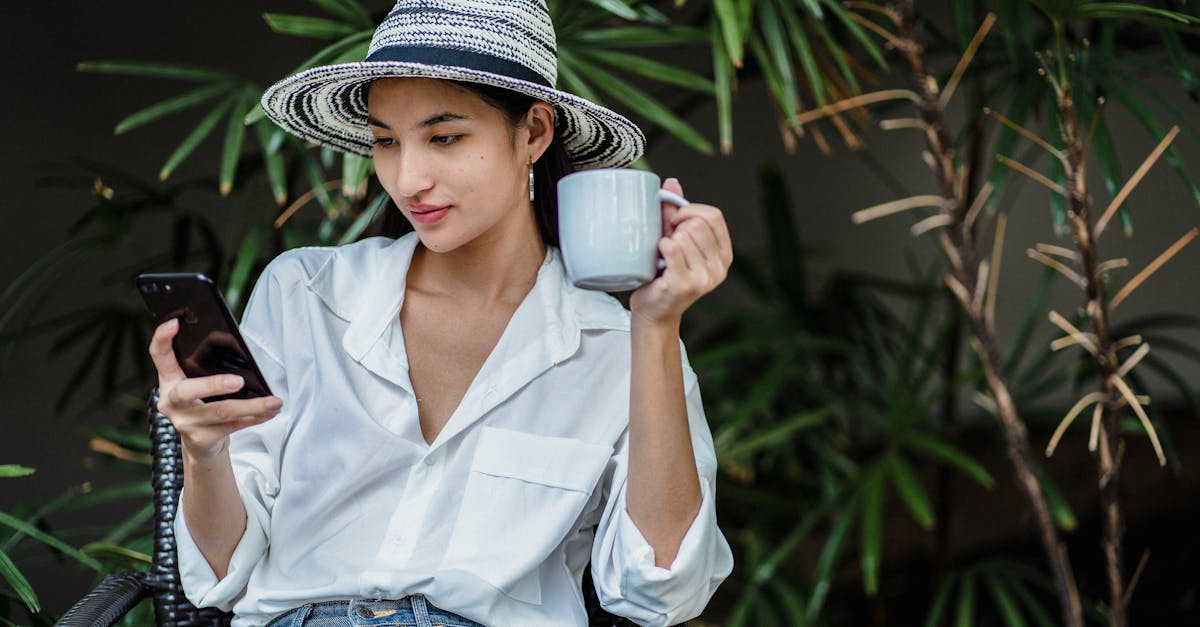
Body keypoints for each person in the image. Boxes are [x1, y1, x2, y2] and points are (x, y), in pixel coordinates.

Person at [147, 1, 734, 626]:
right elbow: (216, 576)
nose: (408, 178)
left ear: (534, 131)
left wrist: (656, 328)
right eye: (385, 141)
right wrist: (204, 450)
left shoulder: (617, 345)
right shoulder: (305, 296)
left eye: (445, 138)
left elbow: (661, 593)